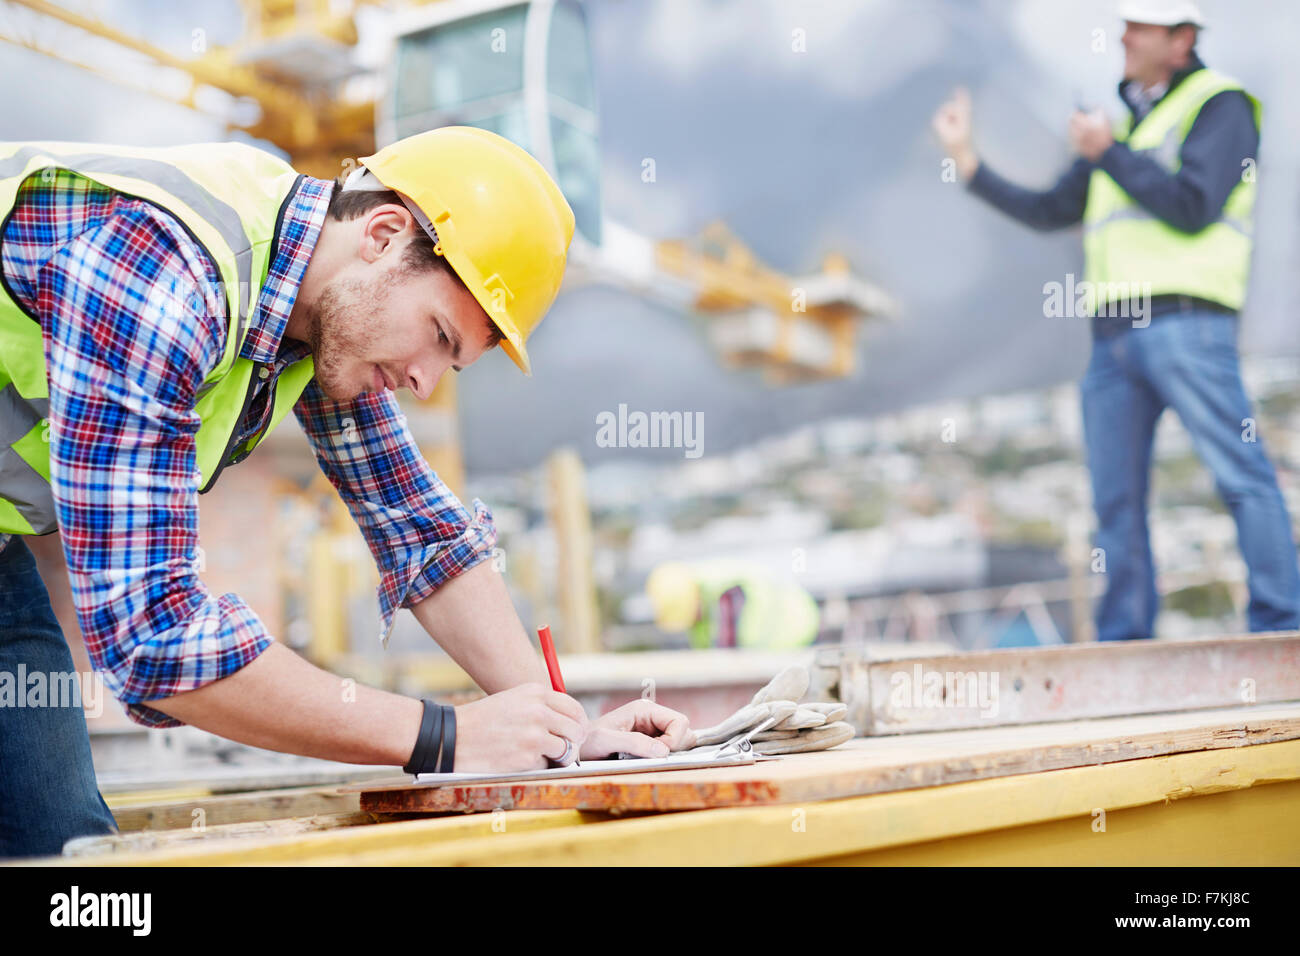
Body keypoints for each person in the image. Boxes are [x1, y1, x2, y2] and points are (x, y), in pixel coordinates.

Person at [0, 128, 693, 858]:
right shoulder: (162, 272)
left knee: (65, 854)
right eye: (437, 336)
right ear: (385, 234)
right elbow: (153, 639)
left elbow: (421, 533)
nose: (424, 383)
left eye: (449, 366)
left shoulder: (313, 306)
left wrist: (563, 730)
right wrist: (444, 736)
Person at [931, 0, 1300, 641]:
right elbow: (1049, 209)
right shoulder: (1122, 130)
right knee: (1114, 506)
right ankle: (1124, 641)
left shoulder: (1221, 107)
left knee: (1241, 477)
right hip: (1111, 342)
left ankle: (1281, 626)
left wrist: (1110, 153)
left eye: (1140, 27)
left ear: (1181, 41)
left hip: (1188, 326)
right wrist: (967, 162)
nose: (1124, 36)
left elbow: (1193, 205)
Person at [647, 560, 820, 650]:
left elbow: (727, 661)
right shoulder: (704, 601)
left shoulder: (727, 594)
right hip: (784, 645)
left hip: (799, 632)